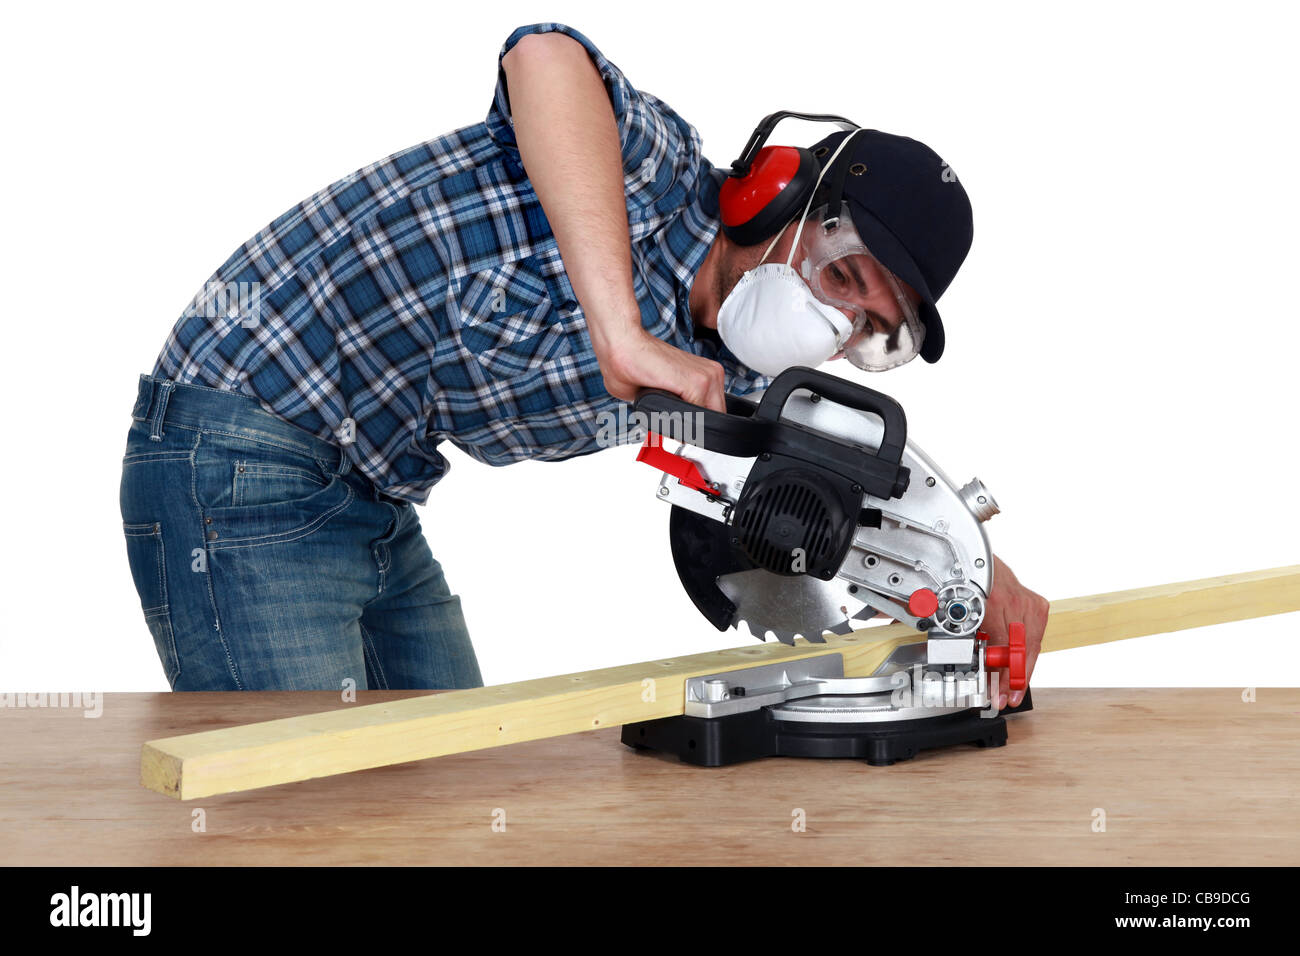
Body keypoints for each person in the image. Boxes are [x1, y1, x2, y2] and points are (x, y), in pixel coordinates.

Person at [120, 22, 1049, 699]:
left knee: (444, 785)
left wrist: (970, 570)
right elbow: (543, 52)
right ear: (777, 196)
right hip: (237, 446)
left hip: (372, 495)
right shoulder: (651, 171)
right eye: (845, 275)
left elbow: (838, 480)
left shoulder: (734, 375)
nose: (833, 325)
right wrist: (619, 326)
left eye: (866, 326)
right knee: (299, 811)